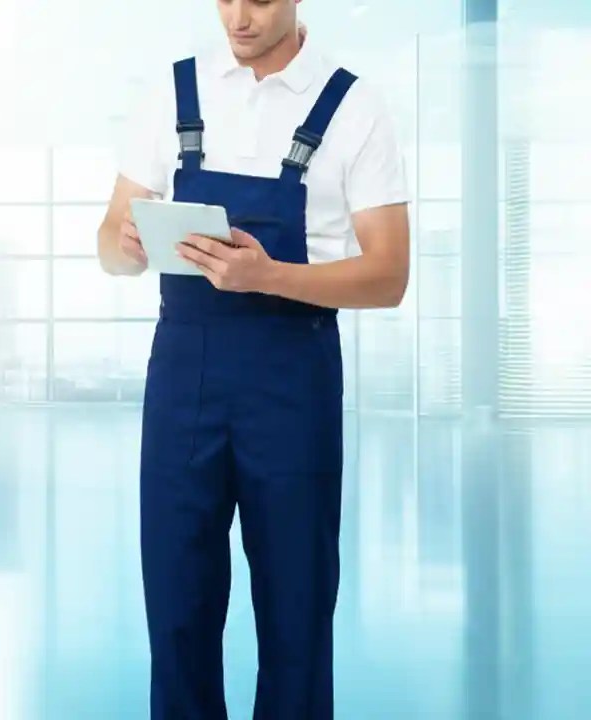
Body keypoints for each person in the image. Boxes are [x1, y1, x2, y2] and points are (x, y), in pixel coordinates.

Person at [97, 1, 410, 718]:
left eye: (260, 0)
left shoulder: (354, 106)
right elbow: (110, 241)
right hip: (183, 375)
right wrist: (125, 246)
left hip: (292, 379)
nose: (238, 17)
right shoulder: (173, 92)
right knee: (177, 605)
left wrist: (268, 277)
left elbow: (389, 275)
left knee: (297, 608)